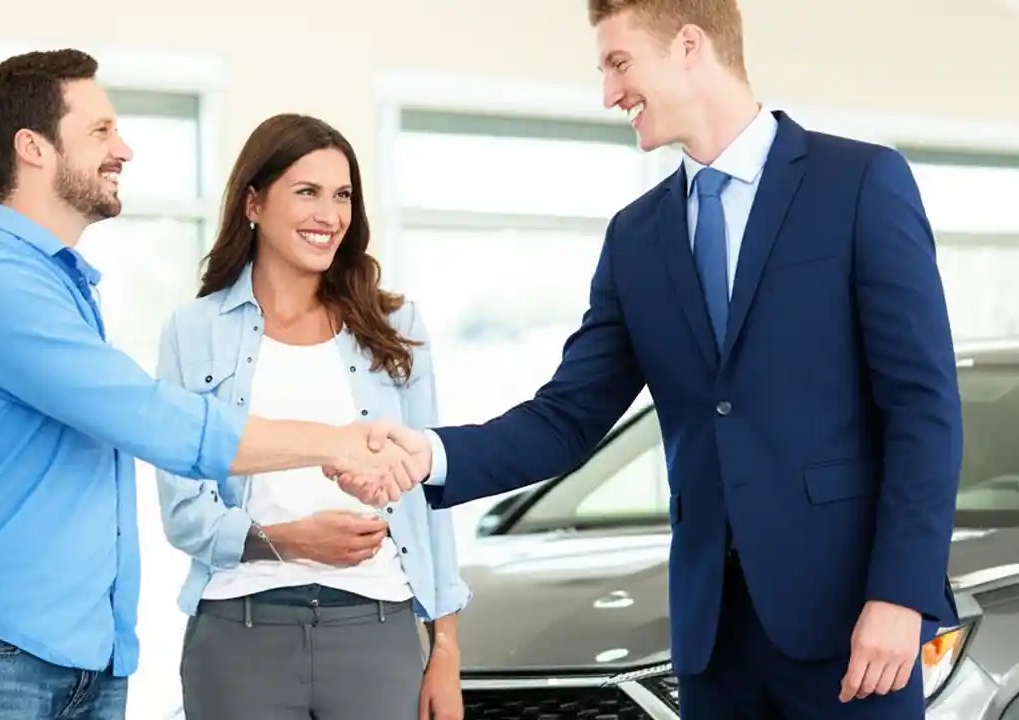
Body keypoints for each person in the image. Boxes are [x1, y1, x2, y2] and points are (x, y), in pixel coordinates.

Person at [340, 1, 963, 717]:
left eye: (618, 63)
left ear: (690, 45)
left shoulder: (858, 184)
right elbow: (567, 418)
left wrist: (899, 594)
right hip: (710, 643)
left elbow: (923, 408)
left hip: (853, 628)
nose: (609, 93)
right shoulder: (637, 237)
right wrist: (428, 455)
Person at [0, 50, 419, 719]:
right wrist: (336, 444)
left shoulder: (61, 286)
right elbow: (156, 421)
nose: (124, 149)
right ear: (33, 148)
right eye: (100, 131)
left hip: (82, 657)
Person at [154, 113, 469, 720]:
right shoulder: (194, 332)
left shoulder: (395, 327)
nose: (330, 214)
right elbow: (182, 507)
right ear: (253, 202)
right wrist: (287, 543)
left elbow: (436, 491)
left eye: (342, 195)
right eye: (307, 192)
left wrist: (446, 650)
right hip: (239, 629)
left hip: (378, 625)